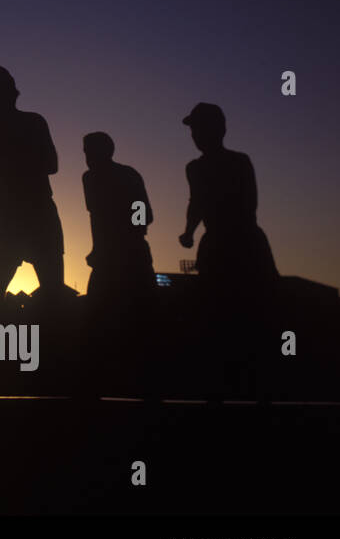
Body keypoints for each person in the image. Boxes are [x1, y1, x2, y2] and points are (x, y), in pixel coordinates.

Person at [178, 103, 277, 398]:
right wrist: (189, 231)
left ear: (218, 130)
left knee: (253, 312)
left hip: (242, 241)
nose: (195, 135)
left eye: (199, 128)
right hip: (221, 242)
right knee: (215, 315)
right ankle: (221, 386)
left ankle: (257, 386)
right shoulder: (194, 168)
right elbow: (196, 202)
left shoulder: (238, 162)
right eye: (193, 129)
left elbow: (249, 202)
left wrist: (203, 228)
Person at [0, 66, 65, 317]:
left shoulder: (31, 122)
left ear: (8, 93)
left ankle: (60, 349)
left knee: (53, 293)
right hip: (6, 221)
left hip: (35, 218)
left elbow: (50, 165)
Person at [81, 132, 156, 394]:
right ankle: (96, 385)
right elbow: (98, 218)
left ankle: (147, 385)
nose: (87, 157)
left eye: (90, 151)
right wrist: (100, 247)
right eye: (85, 151)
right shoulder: (89, 179)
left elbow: (144, 213)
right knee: (98, 319)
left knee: (140, 318)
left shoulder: (126, 175)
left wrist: (125, 238)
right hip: (108, 257)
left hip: (130, 253)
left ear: (106, 151)